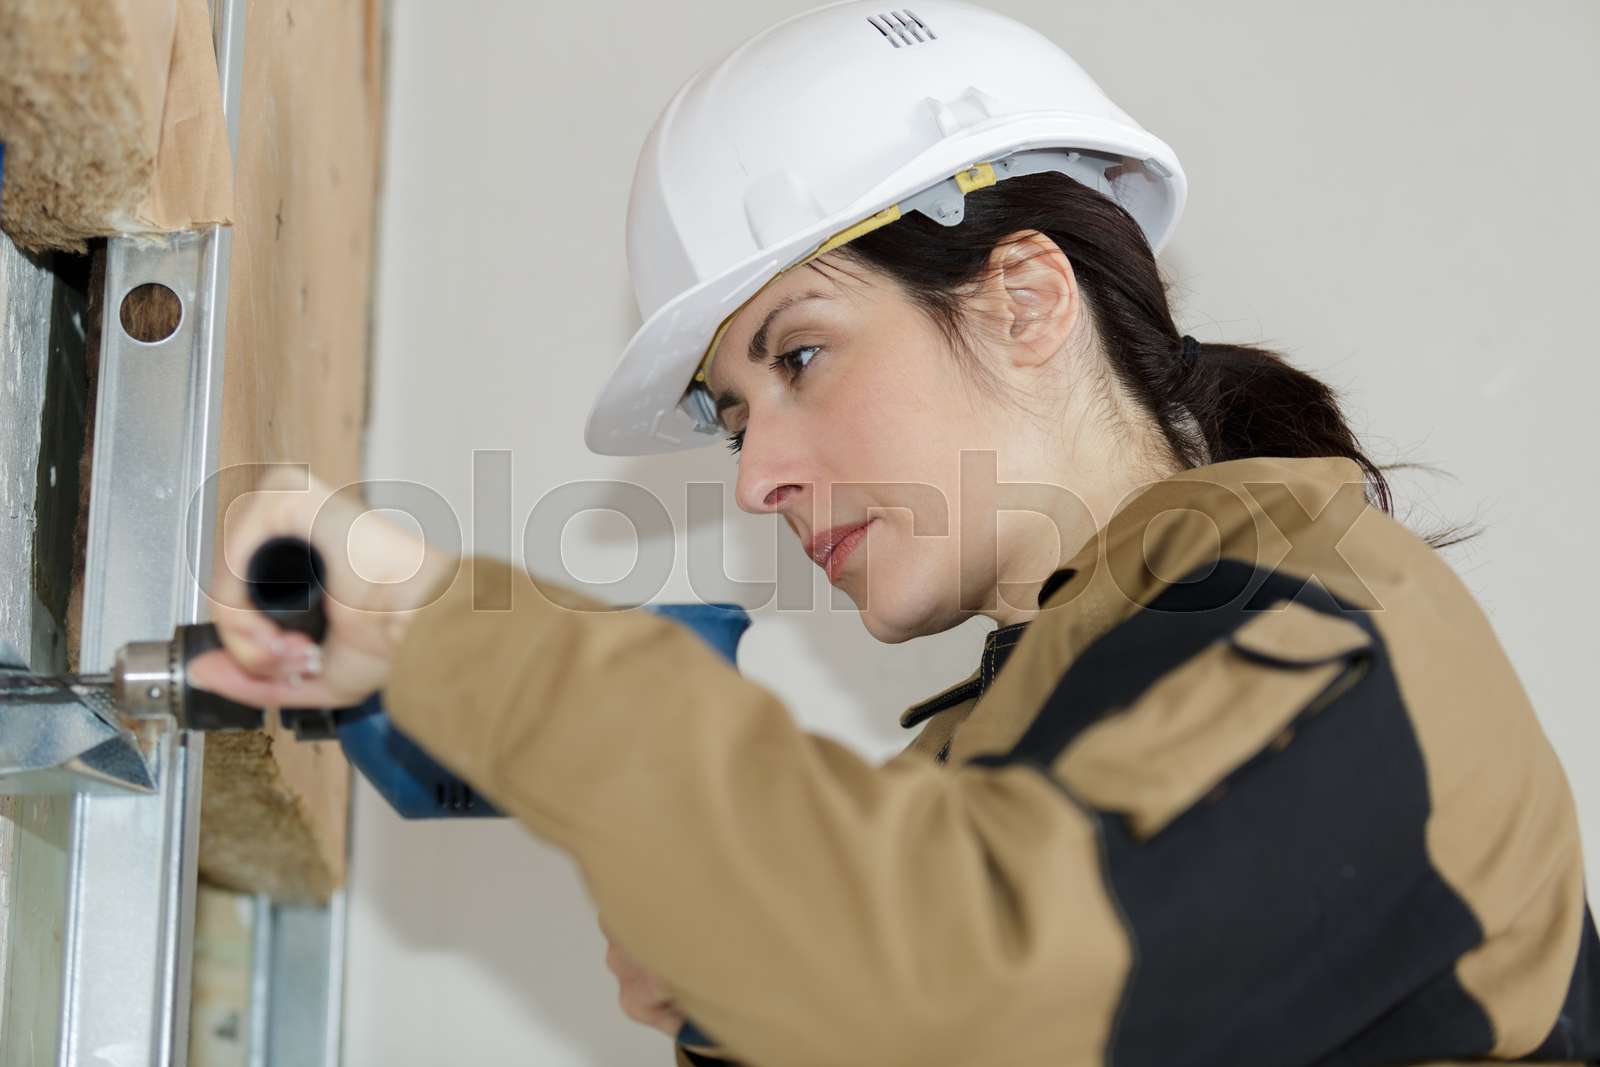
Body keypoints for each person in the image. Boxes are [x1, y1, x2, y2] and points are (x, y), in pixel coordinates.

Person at [189, 1, 1598, 1064]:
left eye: (797, 358)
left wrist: (460, 636)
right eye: (735, 419)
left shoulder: (1328, 617)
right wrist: (749, 981)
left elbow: (960, 972)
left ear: (1026, 300)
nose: (758, 478)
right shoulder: (1018, 742)